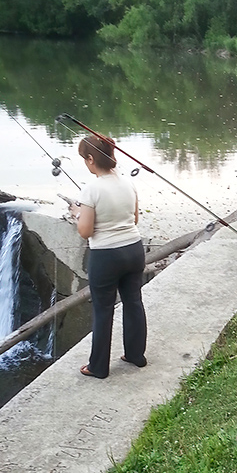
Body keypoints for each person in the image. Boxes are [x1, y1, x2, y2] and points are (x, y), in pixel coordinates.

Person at [72, 134, 147, 379]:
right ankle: (136, 355)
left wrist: (77, 214)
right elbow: (134, 219)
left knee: (104, 310)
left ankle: (98, 367)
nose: (85, 162)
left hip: (106, 256)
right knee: (133, 301)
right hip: (134, 249)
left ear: (91, 159)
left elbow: (86, 231)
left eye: (85, 158)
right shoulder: (128, 183)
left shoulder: (90, 189)